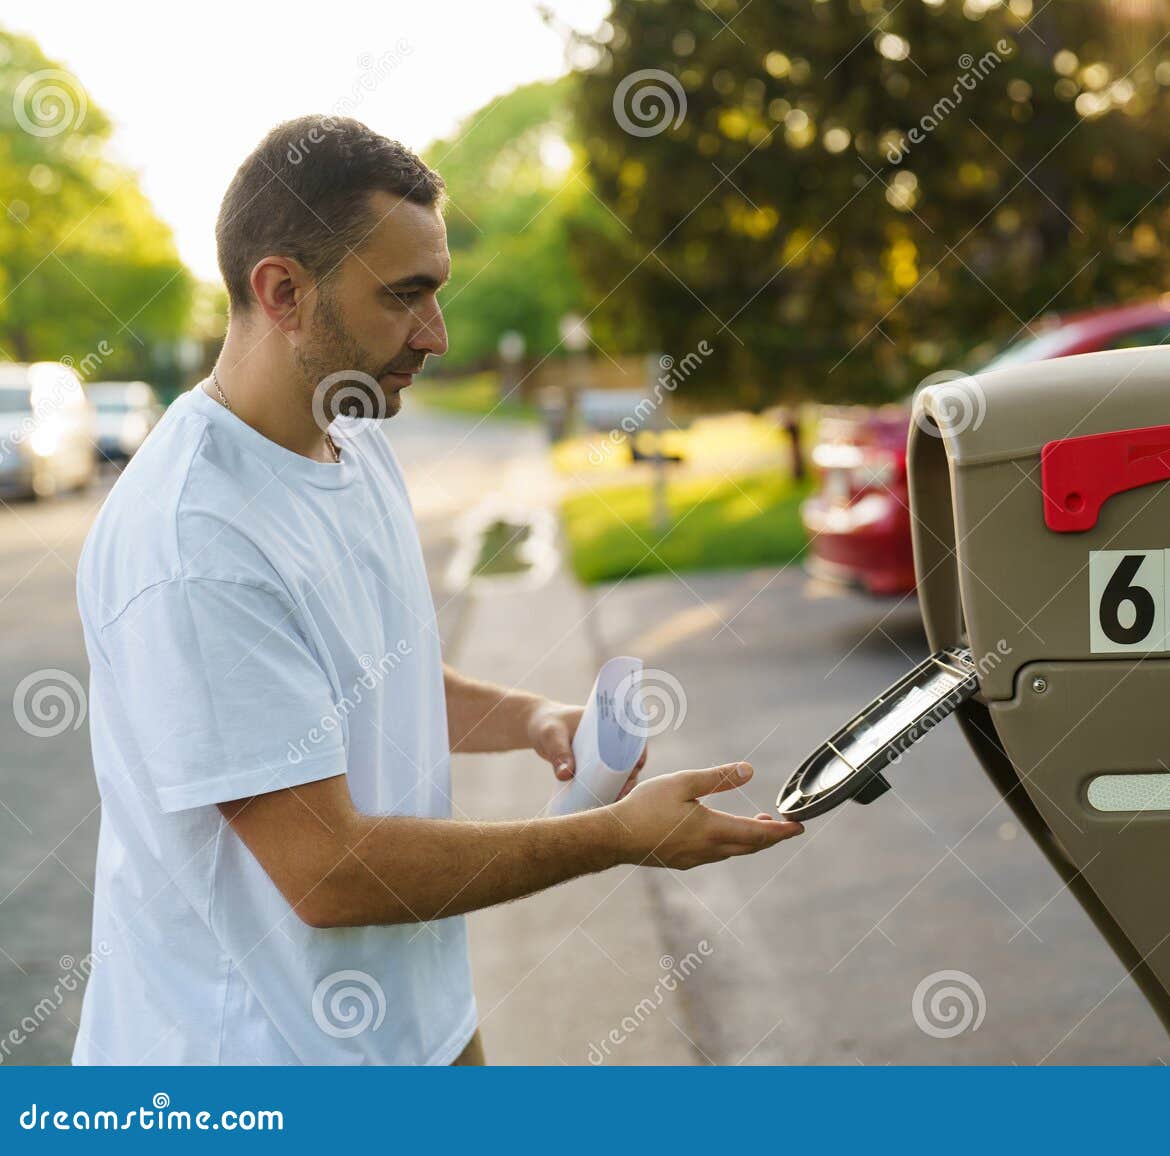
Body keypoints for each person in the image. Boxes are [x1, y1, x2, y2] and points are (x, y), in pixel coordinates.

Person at [72, 115, 802, 1066]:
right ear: (283, 292)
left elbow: (372, 672)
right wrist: (614, 836)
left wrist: (530, 716)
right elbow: (327, 872)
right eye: (403, 296)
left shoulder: (352, 434)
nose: (438, 335)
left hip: (422, 1024)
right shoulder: (194, 540)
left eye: (437, 291)